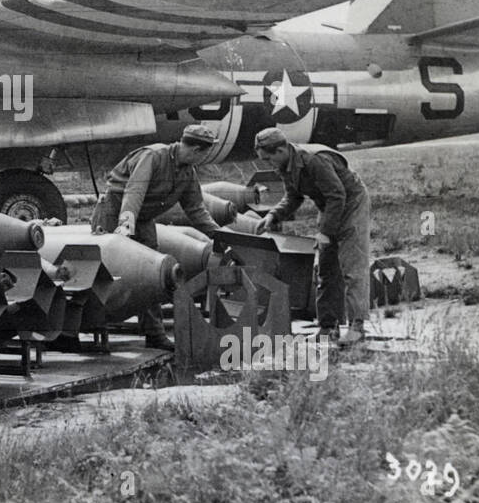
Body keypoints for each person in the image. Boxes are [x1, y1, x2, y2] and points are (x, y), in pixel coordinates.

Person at [92, 123, 226, 352]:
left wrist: (221, 236)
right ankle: (76, 329)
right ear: (196, 151)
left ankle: (153, 333)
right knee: (101, 271)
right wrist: (126, 225)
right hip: (115, 211)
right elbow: (134, 190)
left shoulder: (187, 173)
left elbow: (196, 210)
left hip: (143, 219)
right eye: (205, 154)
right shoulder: (153, 156)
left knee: (153, 273)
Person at [252, 127, 370, 346]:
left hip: (351, 203)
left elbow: (338, 195)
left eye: (268, 158)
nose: (268, 163)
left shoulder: (315, 161)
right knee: (325, 268)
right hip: (329, 206)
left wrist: (326, 233)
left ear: (280, 150)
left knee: (352, 267)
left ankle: (357, 328)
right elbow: (293, 197)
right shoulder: (286, 165)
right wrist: (273, 215)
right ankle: (328, 327)